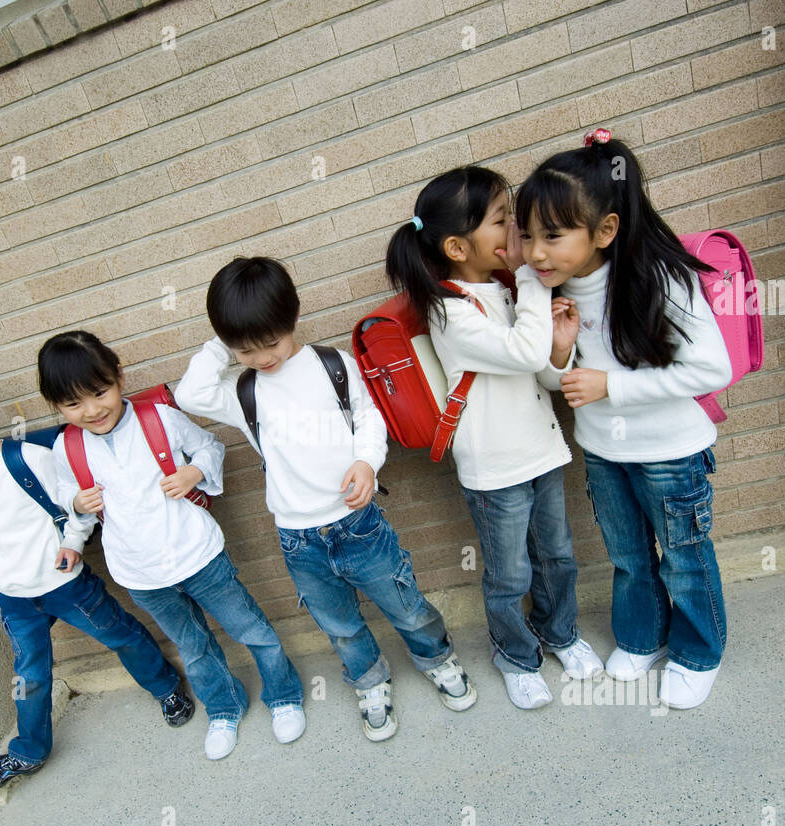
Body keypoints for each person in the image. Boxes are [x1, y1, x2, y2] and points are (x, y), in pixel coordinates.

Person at [175, 256, 476, 742]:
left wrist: (366, 463)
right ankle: (369, 681)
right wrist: (222, 340)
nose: (262, 357)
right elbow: (190, 393)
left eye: (269, 342)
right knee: (339, 624)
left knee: (404, 602)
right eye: (245, 349)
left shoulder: (334, 365)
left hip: (358, 523)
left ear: (291, 318)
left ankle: (437, 658)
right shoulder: (241, 390)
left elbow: (370, 420)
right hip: (297, 538)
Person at [0, 370, 193, 790]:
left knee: (119, 634)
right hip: (12, 594)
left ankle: (165, 686)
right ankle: (28, 750)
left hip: (64, 583)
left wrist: (74, 544)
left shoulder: (28, 459)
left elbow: (74, 508)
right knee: (29, 674)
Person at [518, 129, 733, 709]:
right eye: (528, 235)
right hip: (604, 453)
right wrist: (559, 350)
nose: (535, 252)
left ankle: (698, 652)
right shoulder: (552, 293)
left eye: (553, 236)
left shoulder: (659, 279)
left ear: (605, 230)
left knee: (684, 556)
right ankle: (643, 636)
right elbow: (555, 384)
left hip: (670, 452)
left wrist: (612, 383)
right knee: (629, 556)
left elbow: (713, 369)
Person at [384, 166, 603, 712]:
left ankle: (559, 632)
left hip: (540, 450)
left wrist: (561, 346)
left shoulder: (503, 295)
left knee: (558, 558)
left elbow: (542, 374)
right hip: (494, 468)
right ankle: (515, 655)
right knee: (510, 575)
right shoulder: (451, 311)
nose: (517, 234)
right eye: (504, 221)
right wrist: (531, 278)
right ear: (458, 246)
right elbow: (521, 352)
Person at [37, 330, 305, 759]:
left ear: (119, 376)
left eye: (99, 392)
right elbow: (70, 503)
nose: (91, 410)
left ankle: (284, 696)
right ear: (56, 406)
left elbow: (210, 448)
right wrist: (74, 503)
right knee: (193, 647)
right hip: (141, 573)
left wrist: (193, 474)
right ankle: (223, 707)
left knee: (250, 629)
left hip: (198, 554)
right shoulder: (66, 447)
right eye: (72, 404)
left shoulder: (158, 418)